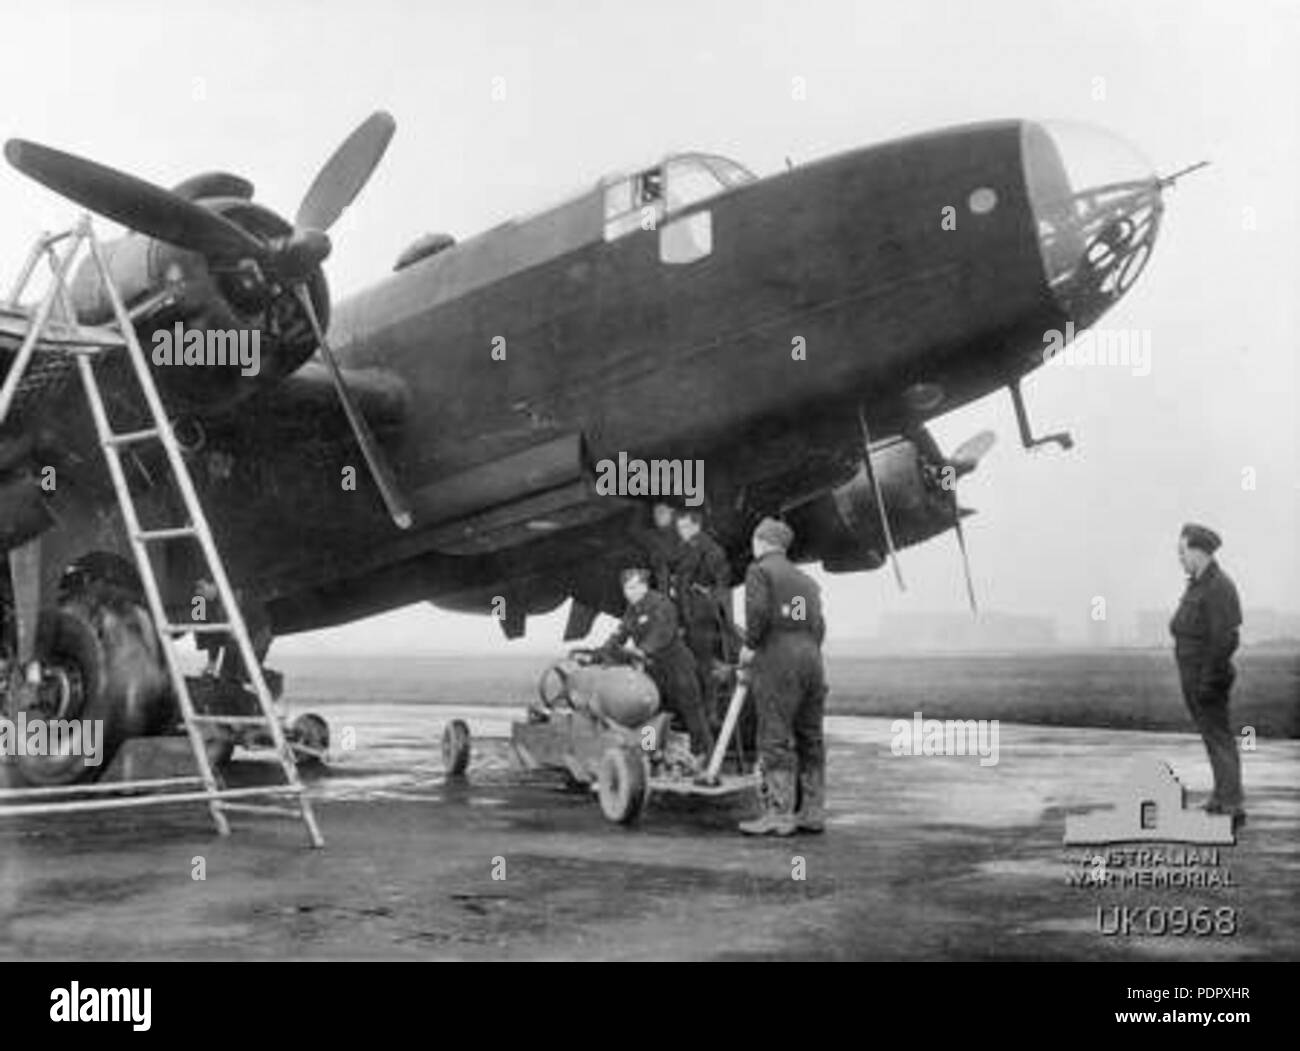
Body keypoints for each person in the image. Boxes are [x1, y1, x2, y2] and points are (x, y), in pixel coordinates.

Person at [738, 517, 827, 836]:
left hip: (778, 657)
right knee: (810, 737)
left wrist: (750, 646)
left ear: (761, 541)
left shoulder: (759, 571)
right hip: (811, 658)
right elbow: (819, 626)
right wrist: (806, 649)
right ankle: (812, 813)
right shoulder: (806, 581)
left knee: (774, 735)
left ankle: (779, 814)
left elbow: (758, 613)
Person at [1169, 523, 1245, 827]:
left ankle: (1232, 802)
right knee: (1212, 736)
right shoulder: (1198, 583)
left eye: (1183, 552)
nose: (1180, 558)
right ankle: (1221, 795)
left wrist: (1208, 680)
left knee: (1219, 736)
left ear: (1199, 551)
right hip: (1194, 675)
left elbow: (1226, 638)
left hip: (1207, 676)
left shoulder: (1218, 586)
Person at [600, 567, 714, 760]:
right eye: (627, 588)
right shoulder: (632, 610)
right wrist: (603, 651)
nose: (630, 592)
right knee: (650, 712)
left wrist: (643, 650)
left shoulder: (662, 604)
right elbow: (620, 633)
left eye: (634, 587)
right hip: (654, 669)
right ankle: (650, 754)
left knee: (692, 712)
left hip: (678, 667)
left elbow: (662, 633)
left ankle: (704, 757)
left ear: (644, 587)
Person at [671, 507, 733, 730]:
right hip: (692, 616)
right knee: (694, 666)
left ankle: (708, 714)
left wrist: (707, 597)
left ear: (697, 526)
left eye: (686, 527)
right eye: (680, 528)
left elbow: (721, 584)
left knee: (702, 666)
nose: (682, 532)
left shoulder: (709, 550)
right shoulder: (690, 549)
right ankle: (699, 713)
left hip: (701, 616)